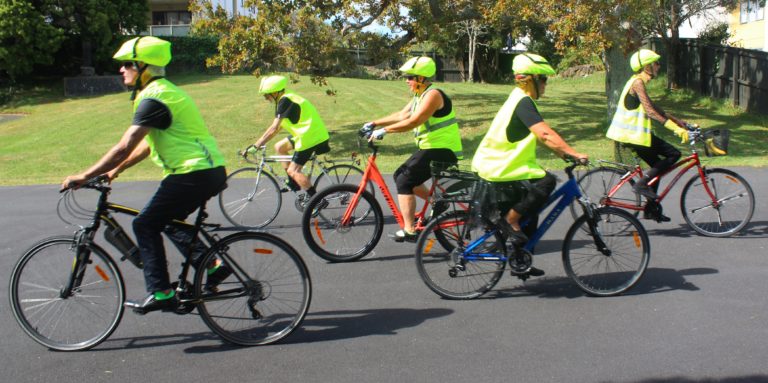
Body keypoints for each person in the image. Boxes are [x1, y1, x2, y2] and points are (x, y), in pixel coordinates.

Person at [61, 36, 228, 313]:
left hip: (194, 172)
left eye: (127, 64)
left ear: (144, 67)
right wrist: (116, 170)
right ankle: (212, 265)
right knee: (170, 222)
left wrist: (84, 175)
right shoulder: (160, 92)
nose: (121, 69)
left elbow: (124, 146)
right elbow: (142, 147)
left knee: (144, 224)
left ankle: (162, 293)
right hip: (203, 171)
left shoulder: (155, 98)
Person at [471, 53, 588, 277]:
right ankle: (509, 221)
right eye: (543, 79)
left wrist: (561, 153)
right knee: (546, 182)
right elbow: (544, 134)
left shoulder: (517, 98)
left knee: (532, 209)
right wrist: (572, 152)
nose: (545, 85)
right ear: (530, 80)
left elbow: (538, 136)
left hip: (499, 165)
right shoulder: (523, 102)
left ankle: (521, 259)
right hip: (500, 168)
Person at [362, 56, 463, 242]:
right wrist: (373, 123)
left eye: (410, 77)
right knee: (400, 175)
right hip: (431, 148)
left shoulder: (433, 95)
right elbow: (402, 115)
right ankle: (436, 202)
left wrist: (384, 131)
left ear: (422, 78)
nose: (406, 80)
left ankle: (410, 231)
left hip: (443, 150)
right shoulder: (420, 95)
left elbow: (414, 121)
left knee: (404, 180)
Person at [606, 49, 690, 222]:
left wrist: (680, 122)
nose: (659, 66)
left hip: (632, 135)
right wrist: (676, 130)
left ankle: (651, 210)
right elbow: (651, 112)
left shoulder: (637, 82)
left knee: (656, 167)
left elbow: (654, 107)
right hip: (632, 135)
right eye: (656, 63)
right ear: (647, 66)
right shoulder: (637, 83)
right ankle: (641, 185)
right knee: (674, 154)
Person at [251, 75, 331, 206]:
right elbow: (277, 128)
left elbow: (273, 128)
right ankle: (293, 182)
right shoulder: (285, 98)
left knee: (293, 170)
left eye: (266, 95)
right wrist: (260, 143)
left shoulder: (286, 100)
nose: (266, 98)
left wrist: (257, 145)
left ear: (275, 92)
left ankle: (318, 200)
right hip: (306, 134)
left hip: (310, 137)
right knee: (279, 147)